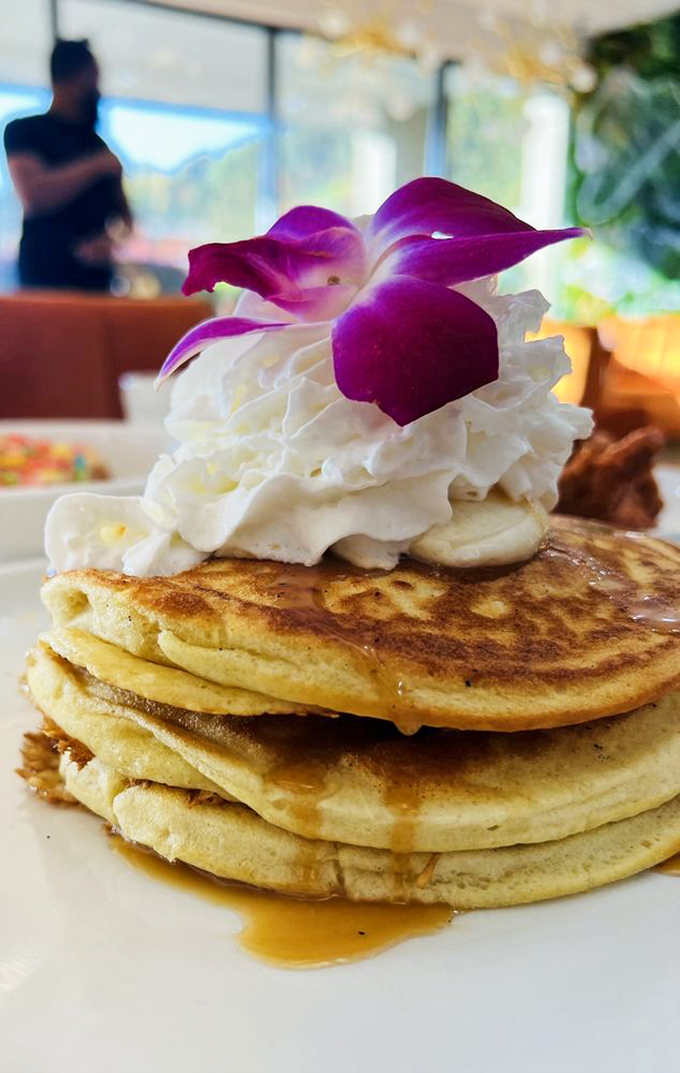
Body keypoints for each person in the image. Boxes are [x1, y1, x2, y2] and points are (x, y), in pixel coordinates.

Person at [3, 39, 132, 291]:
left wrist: (110, 241)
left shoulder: (100, 146)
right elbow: (34, 195)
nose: (97, 89)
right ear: (68, 77)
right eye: (91, 77)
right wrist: (95, 166)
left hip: (96, 284)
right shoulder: (24, 131)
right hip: (42, 281)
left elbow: (126, 221)